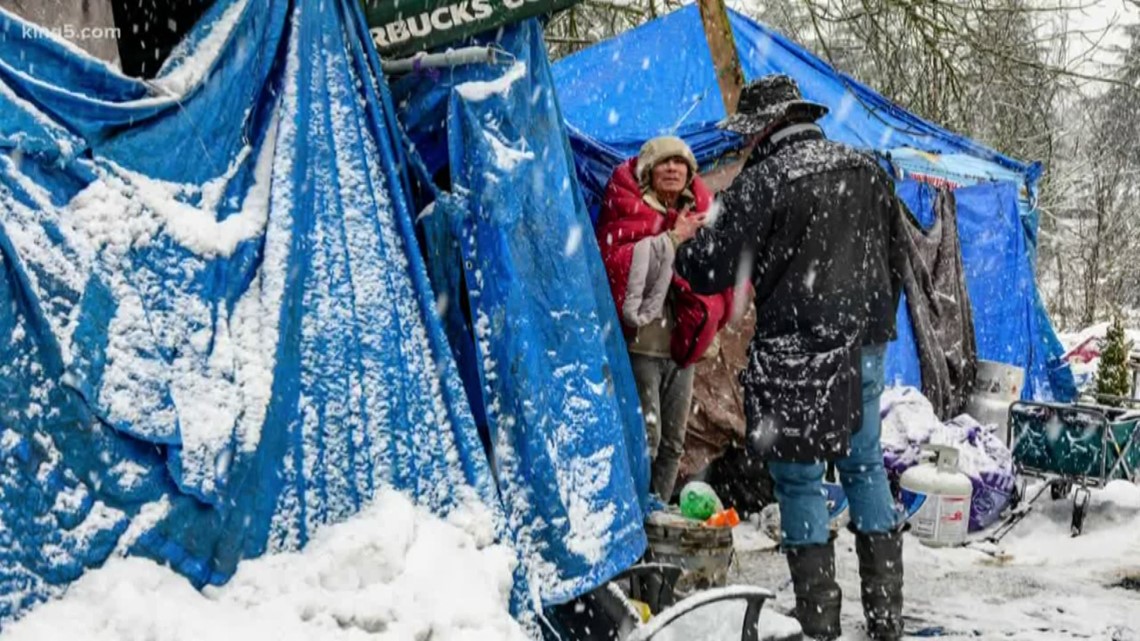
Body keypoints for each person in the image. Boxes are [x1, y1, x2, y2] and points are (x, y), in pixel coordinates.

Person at [673, 75, 906, 641]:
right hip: (863, 343)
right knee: (864, 464)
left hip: (794, 351)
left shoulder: (763, 181)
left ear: (767, 128)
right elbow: (898, 258)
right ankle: (886, 619)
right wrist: (871, 323)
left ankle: (818, 623)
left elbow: (709, 269)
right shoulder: (867, 167)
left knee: (799, 480)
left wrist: (687, 240)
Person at [596, 136, 736, 503]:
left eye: (680, 164)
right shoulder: (631, 209)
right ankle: (637, 512)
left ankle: (657, 509)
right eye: (664, 163)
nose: (672, 169)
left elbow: (721, 276)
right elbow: (615, 265)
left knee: (675, 439)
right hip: (643, 343)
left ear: (691, 173)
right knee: (646, 437)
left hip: (684, 346)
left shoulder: (703, 213)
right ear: (648, 172)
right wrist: (671, 239)